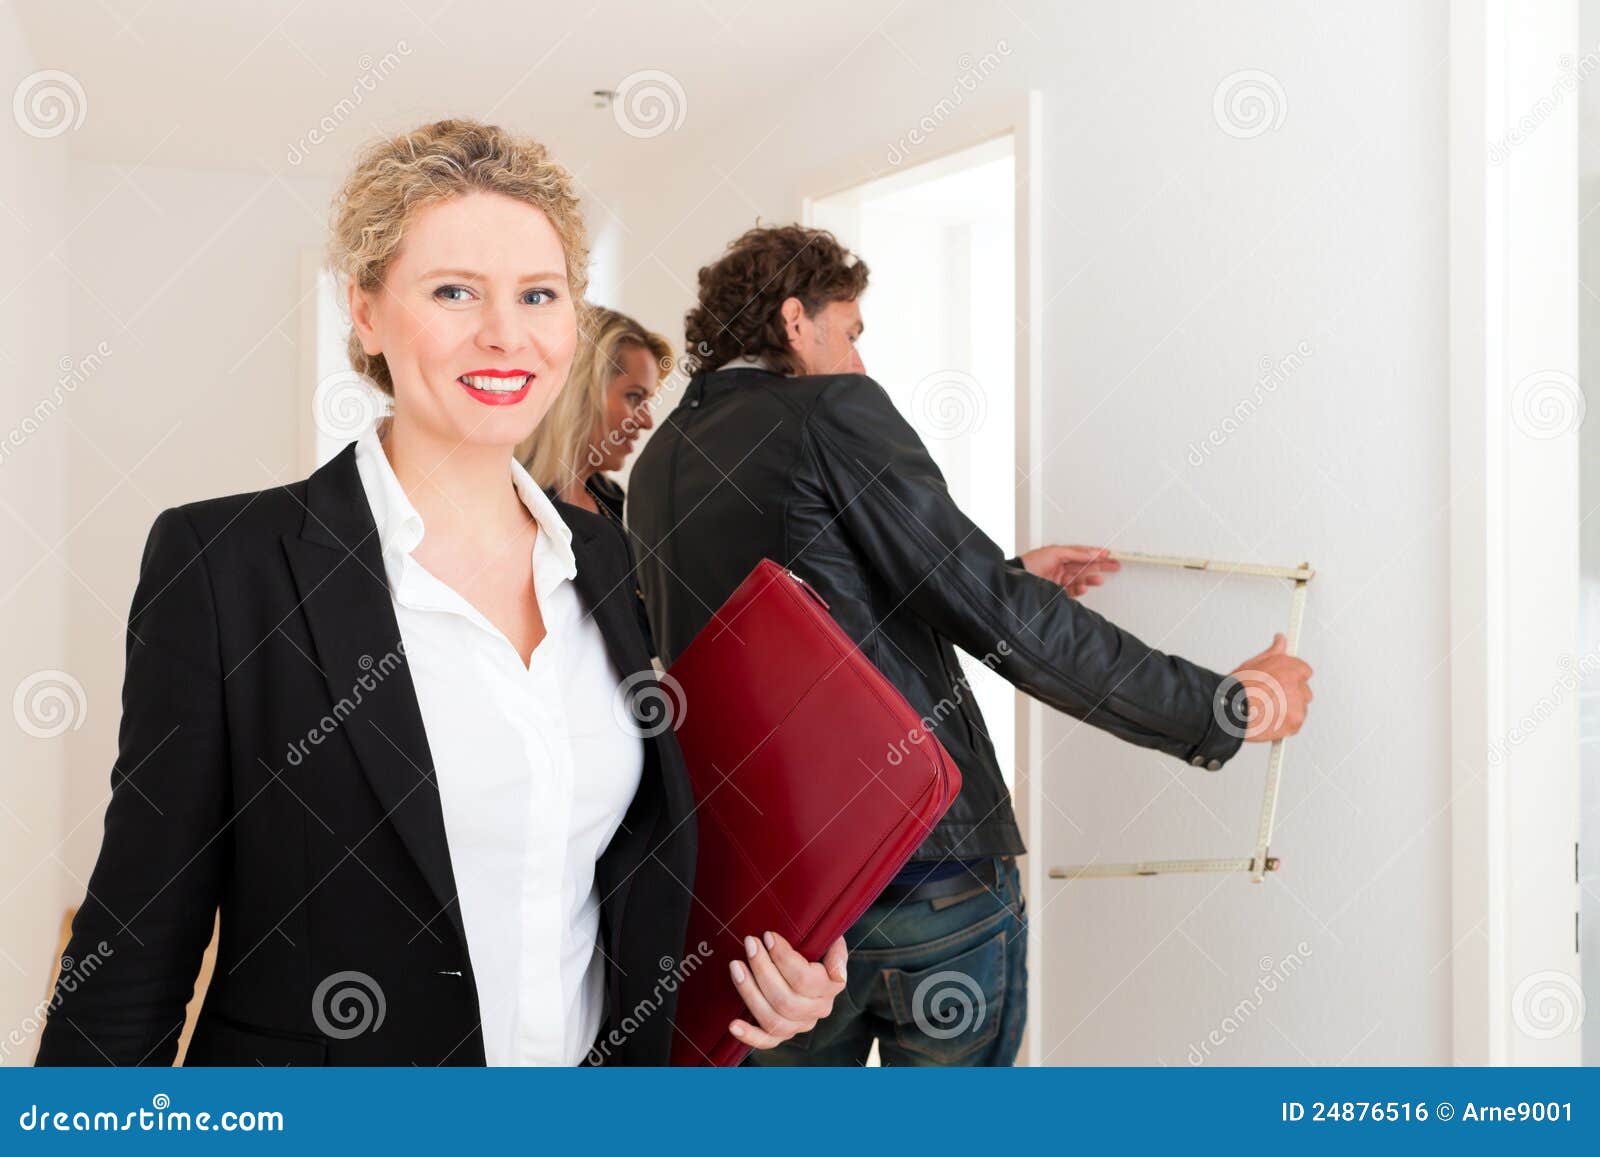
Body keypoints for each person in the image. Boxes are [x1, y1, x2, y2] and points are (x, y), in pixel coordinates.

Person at [35, 121, 844, 1068]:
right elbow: (135, 944)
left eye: (538, 294)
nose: (505, 332)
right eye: (454, 291)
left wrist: (758, 974)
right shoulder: (225, 566)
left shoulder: (600, 556)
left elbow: (618, 878)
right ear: (366, 311)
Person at [626, 224, 1314, 1066]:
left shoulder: (658, 462)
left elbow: (798, 630)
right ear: (797, 321)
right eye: (851, 331)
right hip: (921, 877)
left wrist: (1007, 572)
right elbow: (996, 616)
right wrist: (1228, 706)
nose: (859, 360)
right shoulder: (831, 409)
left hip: (778, 914)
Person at [517, 305, 670, 526]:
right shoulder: (512, 500)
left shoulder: (610, 500)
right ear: (579, 391)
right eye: (634, 396)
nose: (647, 421)